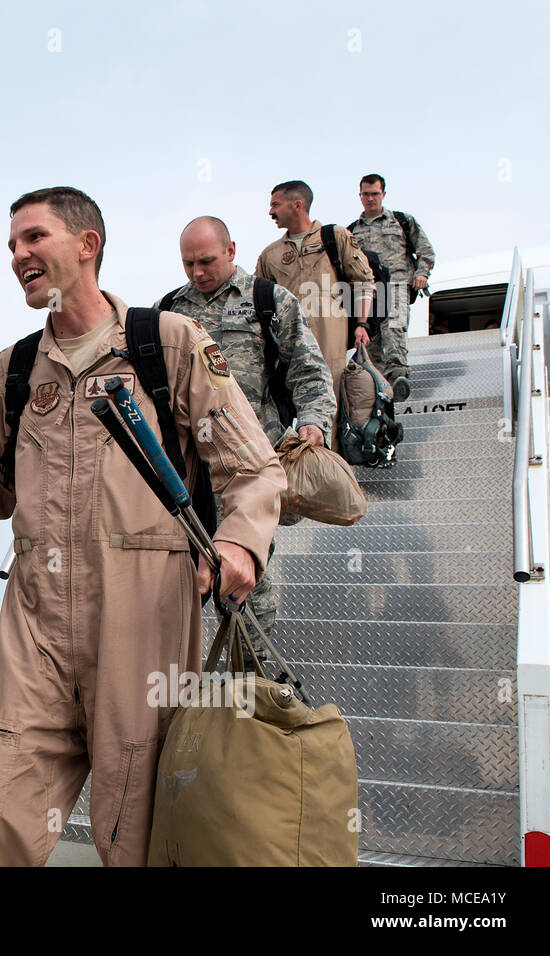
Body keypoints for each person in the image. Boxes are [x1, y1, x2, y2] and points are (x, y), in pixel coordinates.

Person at [0, 187, 287, 866]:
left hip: (144, 617)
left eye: (33, 238)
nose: (18, 255)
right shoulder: (15, 369)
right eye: (12, 244)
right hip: (36, 623)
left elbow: (253, 469)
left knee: (140, 833)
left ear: (86, 245)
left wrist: (238, 543)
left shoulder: (167, 344)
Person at [157, 215, 335, 641]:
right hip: (189, 468)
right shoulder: (168, 310)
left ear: (231, 251)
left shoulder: (269, 300)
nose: (197, 273)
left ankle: (254, 680)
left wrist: (314, 422)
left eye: (206, 261)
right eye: (188, 264)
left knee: (243, 572)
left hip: (250, 463)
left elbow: (309, 372)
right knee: (182, 574)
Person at [255, 180, 375, 395]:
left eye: (276, 204)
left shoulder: (335, 237)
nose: (271, 212)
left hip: (330, 339)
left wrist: (362, 325)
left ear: (297, 205)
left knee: (331, 396)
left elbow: (364, 281)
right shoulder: (269, 255)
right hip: (288, 343)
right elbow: (257, 301)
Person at [348, 174, 436, 400]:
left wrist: (422, 274)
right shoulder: (350, 232)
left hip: (397, 284)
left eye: (375, 194)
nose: (370, 199)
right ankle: (376, 385)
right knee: (371, 340)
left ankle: (398, 375)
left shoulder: (401, 221)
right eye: (366, 194)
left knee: (393, 328)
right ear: (360, 196)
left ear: (383, 194)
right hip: (370, 291)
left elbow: (425, 250)